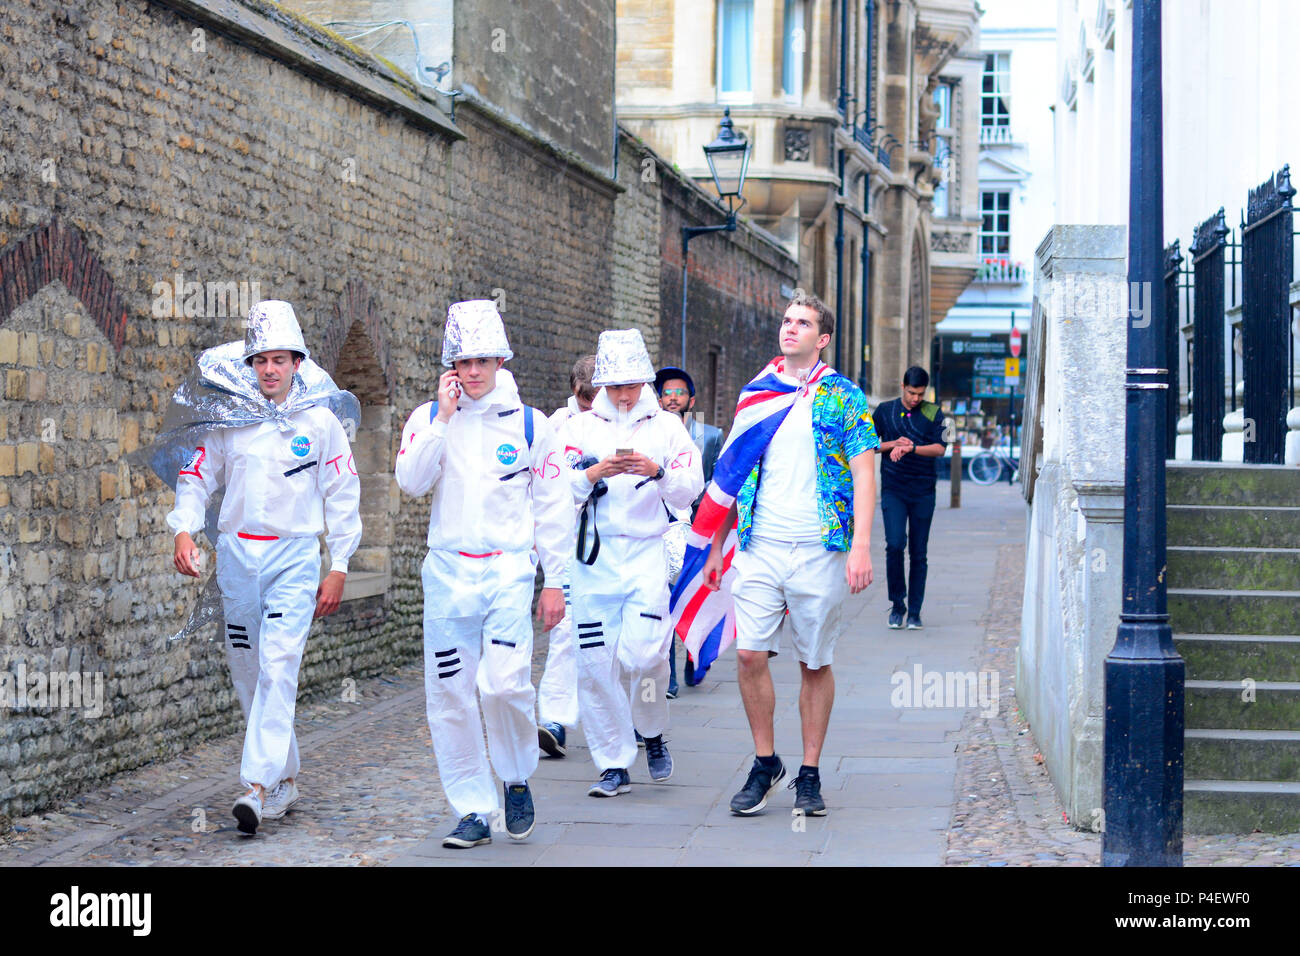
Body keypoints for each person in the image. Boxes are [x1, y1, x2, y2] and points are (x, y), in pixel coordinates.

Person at [167, 301, 362, 835]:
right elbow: (197, 475)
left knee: (279, 664)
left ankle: (254, 784)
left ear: (297, 363)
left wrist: (340, 563)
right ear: (251, 365)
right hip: (235, 559)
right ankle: (285, 776)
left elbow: (343, 493)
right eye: (261, 361)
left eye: (280, 359)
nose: (270, 369)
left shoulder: (321, 423)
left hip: (294, 559)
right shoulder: (231, 420)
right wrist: (184, 528)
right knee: (250, 671)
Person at [395, 300, 571, 849]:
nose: (472, 372)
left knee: (504, 683)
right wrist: (443, 420)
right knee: (449, 693)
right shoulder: (428, 419)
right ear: (451, 365)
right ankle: (473, 806)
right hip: (447, 572)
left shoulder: (530, 425)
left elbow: (552, 505)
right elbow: (410, 482)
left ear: (500, 360)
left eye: (482, 361)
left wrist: (557, 581)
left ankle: (516, 774)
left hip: (508, 571)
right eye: (462, 362)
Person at [699, 292, 879, 817]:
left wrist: (861, 546)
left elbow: (865, 470)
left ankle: (810, 772)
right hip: (759, 545)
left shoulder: (844, 395)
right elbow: (731, 472)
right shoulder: (757, 392)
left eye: (802, 322)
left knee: (814, 662)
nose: (790, 328)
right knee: (750, 654)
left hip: (820, 549)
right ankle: (764, 762)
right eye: (786, 320)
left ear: (821, 338)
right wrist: (716, 546)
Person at [559, 329, 703, 797]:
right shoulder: (578, 428)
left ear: (644, 382)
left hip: (645, 551)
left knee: (646, 654)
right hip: (594, 558)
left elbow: (689, 488)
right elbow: (555, 491)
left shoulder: (666, 427)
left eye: (632, 384)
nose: (623, 394)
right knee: (595, 663)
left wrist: (656, 472)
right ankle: (613, 762)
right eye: (615, 384)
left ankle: (652, 729)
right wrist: (593, 474)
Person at [536, 353, 597, 758]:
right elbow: (551, 490)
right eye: (590, 398)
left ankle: (636, 717)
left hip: (619, 544)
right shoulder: (555, 429)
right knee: (565, 633)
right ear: (576, 391)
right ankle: (555, 719)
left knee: (613, 639)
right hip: (572, 541)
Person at [654, 365, 723, 694]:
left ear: (691, 399)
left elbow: (719, 480)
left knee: (697, 594)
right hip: (664, 525)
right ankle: (666, 677)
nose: (673, 397)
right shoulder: (650, 433)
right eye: (667, 392)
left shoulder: (709, 435)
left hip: (699, 525)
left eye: (680, 392)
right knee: (662, 600)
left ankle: (695, 653)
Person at [871, 366, 947, 630]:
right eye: (912, 393)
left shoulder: (934, 412)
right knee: (894, 544)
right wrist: (892, 444)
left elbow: (941, 448)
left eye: (920, 394)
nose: (915, 399)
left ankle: (914, 611)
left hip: (924, 490)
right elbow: (867, 444)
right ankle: (897, 604)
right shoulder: (884, 410)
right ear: (902, 386)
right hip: (893, 488)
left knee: (918, 551)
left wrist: (912, 448)